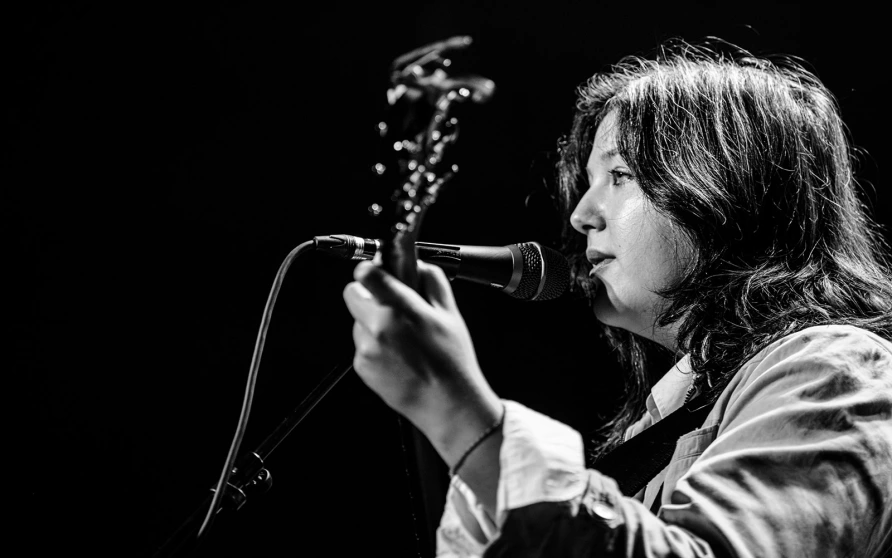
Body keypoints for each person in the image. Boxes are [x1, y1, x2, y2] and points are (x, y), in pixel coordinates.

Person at [342, 39, 892, 557]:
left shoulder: (836, 371)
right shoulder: (662, 422)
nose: (581, 215)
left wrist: (461, 413)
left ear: (730, 190)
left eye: (620, 175)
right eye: (588, 182)